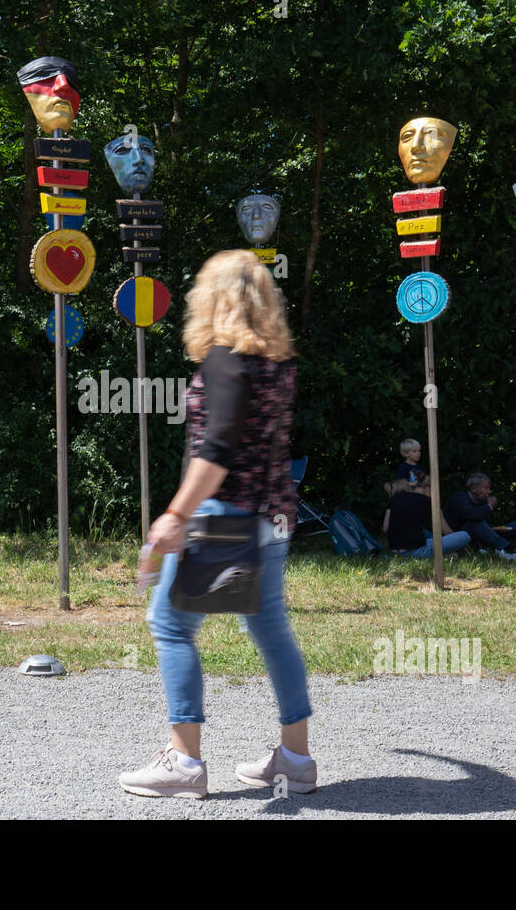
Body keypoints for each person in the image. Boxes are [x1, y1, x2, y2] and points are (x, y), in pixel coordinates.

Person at [120, 249, 312, 799]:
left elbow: (219, 447)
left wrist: (176, 514)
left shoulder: (225, 361)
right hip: (272, 515)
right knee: (270, 628)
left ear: (214, 298)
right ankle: (296, 759)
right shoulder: (275, 366)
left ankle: (184, 763)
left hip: (225, 517)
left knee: (171, 626)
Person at [385, 474, 470, 559]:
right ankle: (449, 553)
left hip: (394, 552)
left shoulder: (395, 498)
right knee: (464, 535)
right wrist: (459, 544)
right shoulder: (428, 501)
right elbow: (445, 530)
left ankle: (447, 554)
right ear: (429, 489)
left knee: (425, 532)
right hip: (417, 551)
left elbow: (386, 527)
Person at [444, 472, 516, 559]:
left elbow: (485, 525)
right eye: (486, 488)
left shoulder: (482, 501)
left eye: (489, 489)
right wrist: (489, 507)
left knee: (514, 526)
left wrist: (495, 529)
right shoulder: (459, 497)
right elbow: (473, 516)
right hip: (463, 537)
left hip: (484, 536)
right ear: (474, 488)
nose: (489, 492)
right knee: (475, 523)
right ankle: (506, 548)